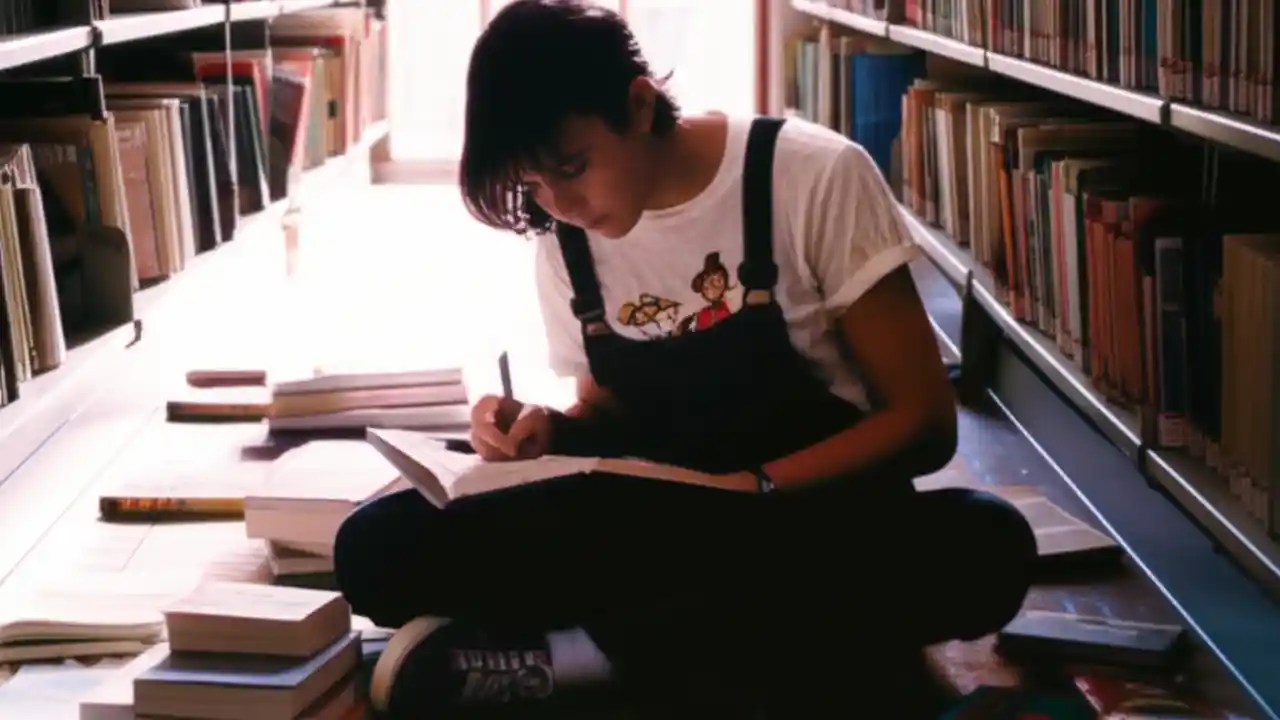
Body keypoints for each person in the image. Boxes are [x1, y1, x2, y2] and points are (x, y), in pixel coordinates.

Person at [333, 1, 1037, 716]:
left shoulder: (811, 175)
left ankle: (573, 657)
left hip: (800, 509)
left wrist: (755, 486)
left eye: (571, 168)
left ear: (639, 105)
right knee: (375, 545)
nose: (561, 205)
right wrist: (545, 430)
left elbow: (924, 424)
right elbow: (609, 411)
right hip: (657, 520)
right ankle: (690, 644)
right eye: (534, 187)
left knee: (982, 546)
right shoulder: (564, 234)